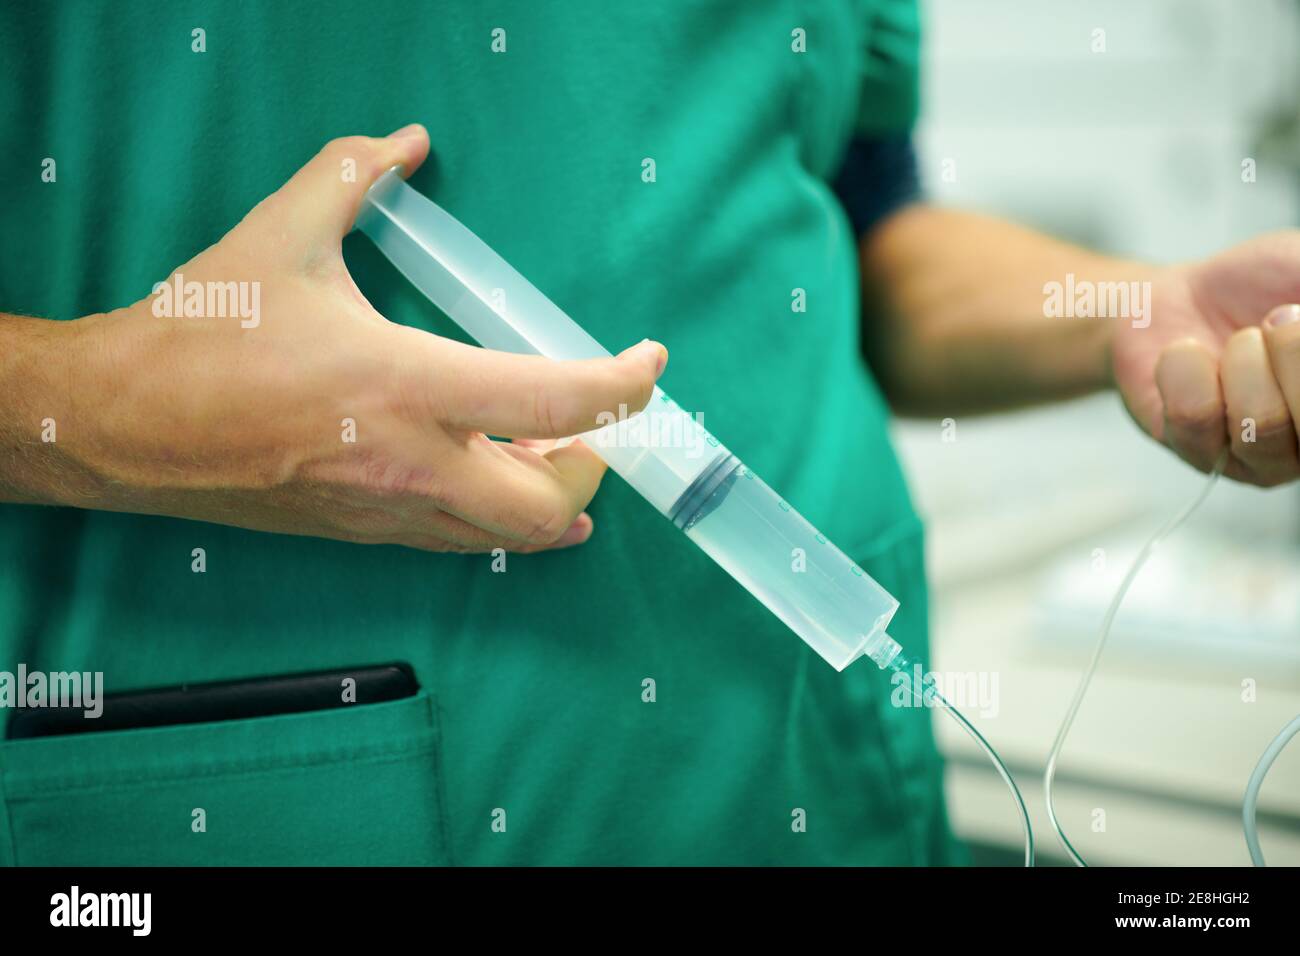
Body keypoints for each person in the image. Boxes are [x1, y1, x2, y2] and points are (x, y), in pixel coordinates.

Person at [1, 2, 1297, 867]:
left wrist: (1130, 309)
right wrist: (128, 411)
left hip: (805, 765)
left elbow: (854, 226)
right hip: (261, 765)